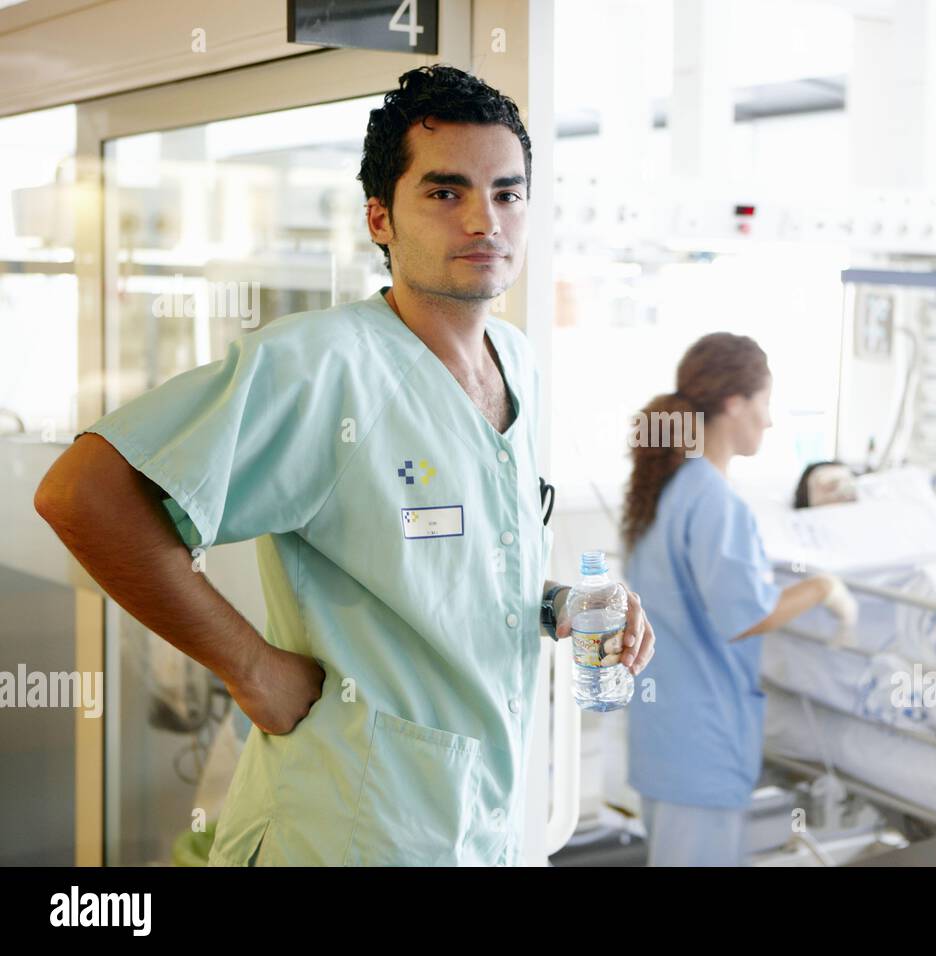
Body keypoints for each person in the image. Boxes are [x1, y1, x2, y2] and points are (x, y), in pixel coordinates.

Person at [33, 65, 655, 866]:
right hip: (348, 829)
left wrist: (558, 603)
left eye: (507, 192)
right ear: (379, 218)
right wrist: (249, 666)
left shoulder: (517, 363)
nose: (484, 220)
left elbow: (447, 571)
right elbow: (82, 494)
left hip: (478, 826)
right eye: (444, 192)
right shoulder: (323, 368)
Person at [620, 333, 856, 866]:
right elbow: (747, 615)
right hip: (700, 744)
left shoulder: (667, 488)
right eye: (765, 403)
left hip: (666, 738)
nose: (770, 421)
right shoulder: (714, 501)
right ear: (734, 403)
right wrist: (823, 588)